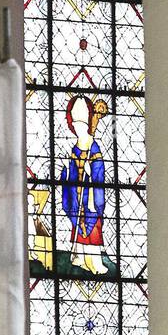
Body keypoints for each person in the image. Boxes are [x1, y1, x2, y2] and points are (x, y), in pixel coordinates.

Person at [61, 94, 109, 275]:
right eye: (75, 125)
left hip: (90, 195)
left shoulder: (93, 146)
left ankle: (95, 262)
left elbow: (99, 170)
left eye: (81, 125)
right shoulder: (76, 147)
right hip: (77, 195)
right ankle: (80, 257)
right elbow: (70, 171)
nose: (78, 127)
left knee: (93, 226)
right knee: (78, 226)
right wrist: (67, 171)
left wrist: (91, 172)